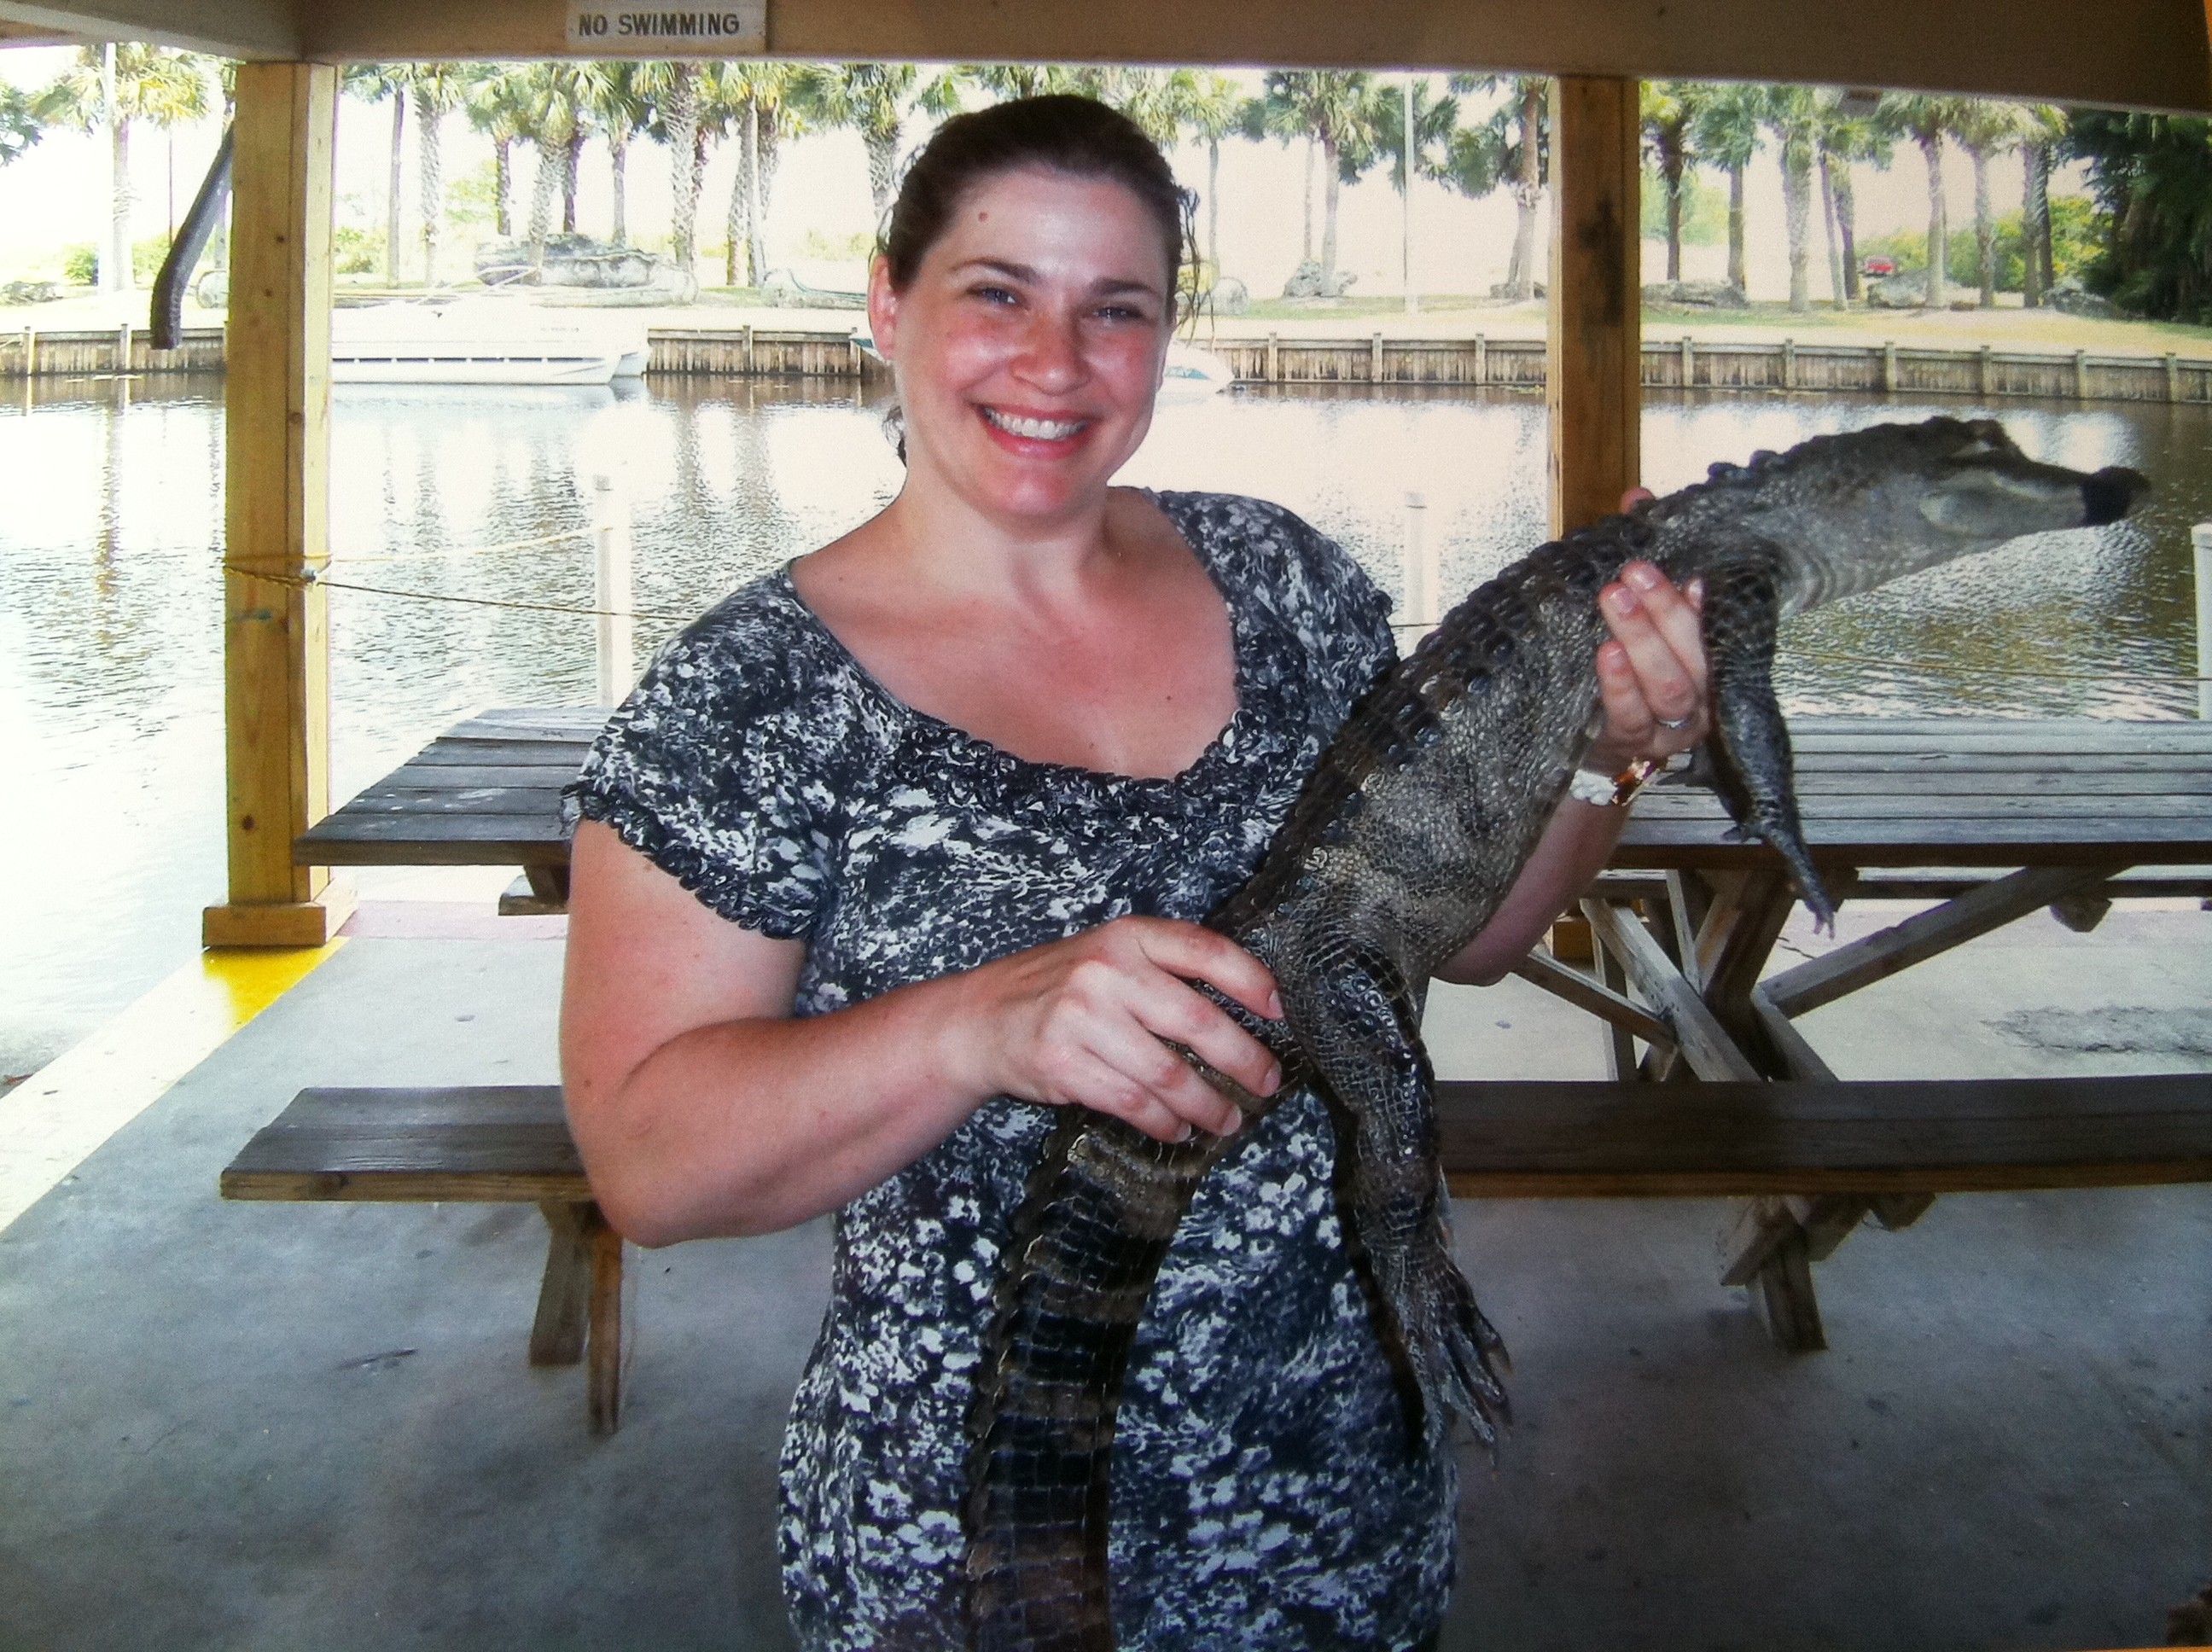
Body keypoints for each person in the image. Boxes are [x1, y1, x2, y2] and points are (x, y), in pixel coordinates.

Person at [561, 96, 1709, 1651]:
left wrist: (1602, 751)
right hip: (973, 1552)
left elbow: (1479, 937)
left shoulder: (1288, 583)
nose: (1056, 363)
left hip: (1343, 1500)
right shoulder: (741, 702)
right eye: (998, 293)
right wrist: (977, 1025)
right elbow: (646, 1165)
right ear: (888, 304)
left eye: (1117, 309)